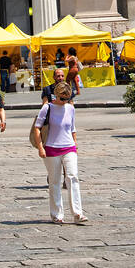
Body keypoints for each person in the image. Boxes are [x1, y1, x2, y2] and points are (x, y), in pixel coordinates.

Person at [34, 80, 87, 225]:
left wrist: (75, 144)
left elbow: (72, 128)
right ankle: (57, 214)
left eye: (67, 98)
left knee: (72, 177)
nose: (65, 101)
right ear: (55, 95)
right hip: (51, 148)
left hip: (69, 147)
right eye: (62, 98)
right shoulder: (47, 108)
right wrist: (40, 147)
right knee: (55, 181)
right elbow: (37, 128)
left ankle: (77, 213)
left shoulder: (70, 108)